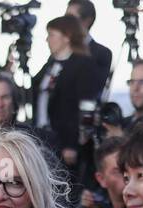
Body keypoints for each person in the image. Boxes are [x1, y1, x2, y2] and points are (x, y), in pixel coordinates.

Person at [31, 15, 102, 168]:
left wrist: (73, 144)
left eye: (51, 35)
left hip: (65, 142)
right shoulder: (51, 63)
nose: (47, 40)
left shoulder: (83, 65)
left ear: (66, 37)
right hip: (43, 136)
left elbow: (87, 107)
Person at [67, 1, 112, 88]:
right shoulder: (61, 49)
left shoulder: (101, 53)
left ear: (87, 21)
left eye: (70, 18)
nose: (65, 22)